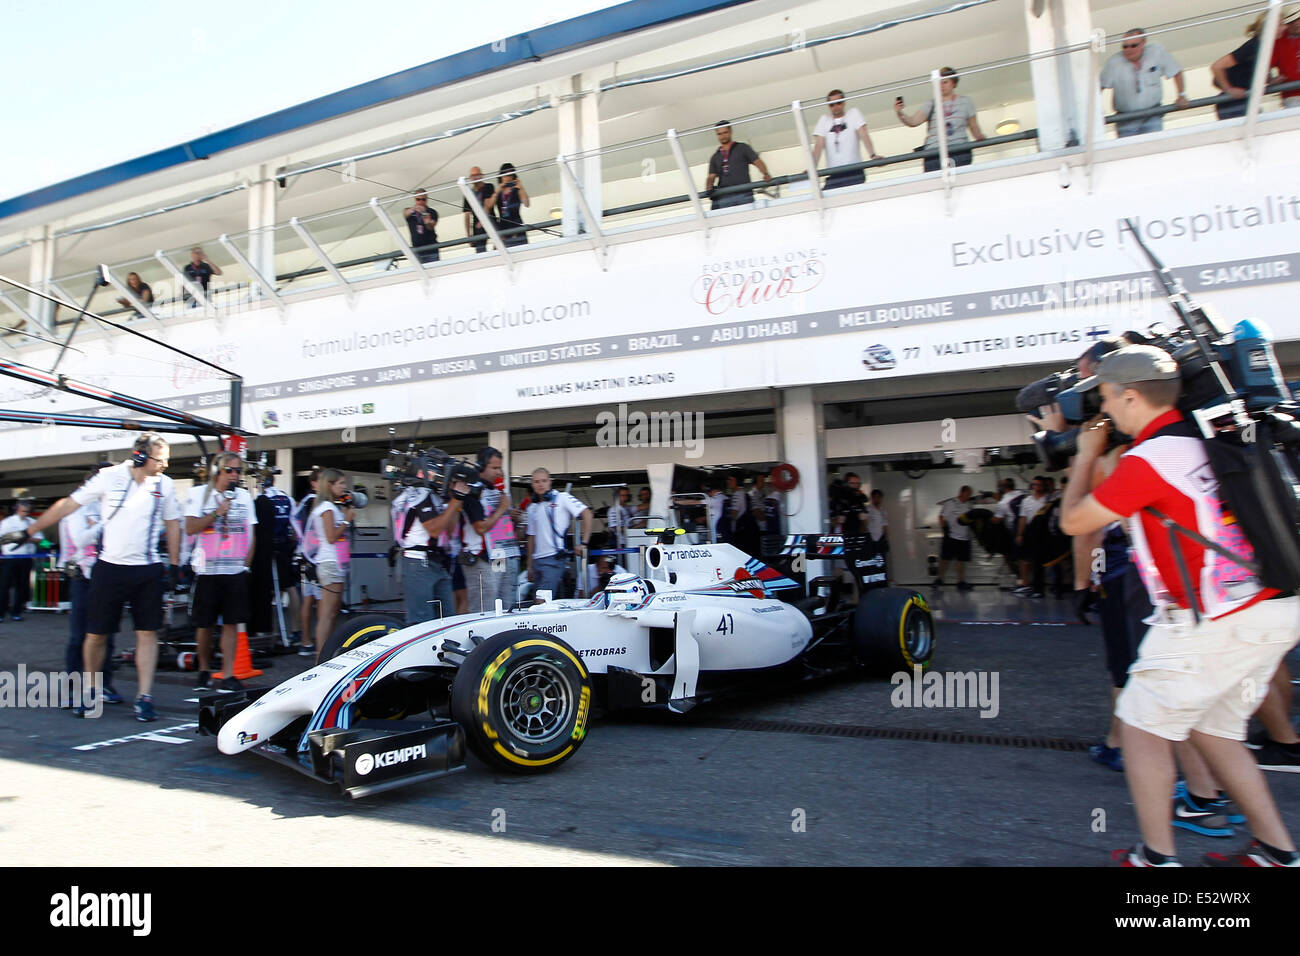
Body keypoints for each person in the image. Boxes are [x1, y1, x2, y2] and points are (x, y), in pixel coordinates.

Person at [1060, 345, 1300, 867]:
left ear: (1130, 395)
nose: (1105, 411)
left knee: (1142, 728)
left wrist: (1083, 457)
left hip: (1213, 619)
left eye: (1106, 398)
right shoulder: (1205, 442)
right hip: (1272, 607)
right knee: (1213, 731)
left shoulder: (1150, 459)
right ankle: (1278, 852)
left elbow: (1075, 522)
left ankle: (1155, 859)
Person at [17, 433, 181, 721]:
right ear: (140, 455)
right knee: (95, 635)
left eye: (168, 458)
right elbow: (67, 505)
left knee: (147, 633)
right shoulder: (110, 477)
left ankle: (145, 697)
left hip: (147, 569)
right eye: (161, 458)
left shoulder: (165, 485)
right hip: (109, 568)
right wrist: (29, 532)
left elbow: (172, 524)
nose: (166, 464)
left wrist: (177, 565)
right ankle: (91, 692)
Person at [185, 452, 257, 691]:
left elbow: (251, 532)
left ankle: (227, 674)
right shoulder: (199, 494)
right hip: (207, 570)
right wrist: (216, 513)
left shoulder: (245, 497)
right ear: (217, 471)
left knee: (232, 623)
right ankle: (204, 669)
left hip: (234, 569)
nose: (234, 475)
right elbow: (190, 528)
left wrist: (246, 564)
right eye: (230, 470)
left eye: (238, 471)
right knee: (204, 624)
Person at [59, 465, 121, 707]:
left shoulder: (108, 507)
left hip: (106, 574)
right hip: (81, 576)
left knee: (107, 633)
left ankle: (103, 683)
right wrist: (105, 523)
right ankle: (72, 688)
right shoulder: (76, 507)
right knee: (80, 635)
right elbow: (80, 539)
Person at [390, 470, 466, 625]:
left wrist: (455, 502)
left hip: (437, 561)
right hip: (417, 561)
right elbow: (434, 530)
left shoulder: (435, 497)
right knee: (421, 620)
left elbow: (450, 531)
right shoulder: (417, 494)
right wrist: (455, 500)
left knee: (447, 617)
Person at [302, 469, 354, 660]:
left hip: (335, 563)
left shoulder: (330, 506)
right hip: (330, 562)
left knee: (331, 613)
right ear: (329, 485)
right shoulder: (326, 508)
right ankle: (320, 657)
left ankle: (326, 654)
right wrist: (347, 521)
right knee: (326, 615)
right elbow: (331, 537)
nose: (343, 487)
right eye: (340, 483)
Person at [1099, 28, 1189, 137]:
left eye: (1134, 45)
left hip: (1153, 115)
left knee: (1154, 148)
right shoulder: (1113, 63)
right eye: (1125, 46)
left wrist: (1181, 95)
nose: (1129, 49)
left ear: (1143, 44)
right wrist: (1097, 111)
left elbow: (1176, 71)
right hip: (1125, 120)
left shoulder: (1156, 53)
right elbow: (1099, 88)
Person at [895, 67, 986, 171]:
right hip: (934, 153)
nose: (941, 85)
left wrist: (980, 137)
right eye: (939, 83)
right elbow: (913, 122)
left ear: (953, 83)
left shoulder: (966, 102)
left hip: (959, 150)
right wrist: (899, 112)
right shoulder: (931, 104)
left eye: (945, 82)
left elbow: (974, 127)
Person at [458, 447, 515, 613]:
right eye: (494, 468)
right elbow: (480, 528)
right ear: (481, 466)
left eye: (500, 467)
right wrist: (501, 509)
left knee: (505, 605)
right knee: (485, 608)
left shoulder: (496, 490)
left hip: (500, 555)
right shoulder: (472, 492)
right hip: (480, 558)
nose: (499, 472)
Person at [524, 468, 591, 599]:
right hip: (537, 561)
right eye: (536, 481)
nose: (540, 484)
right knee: (538, 605)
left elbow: (587, 513)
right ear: (532, 484)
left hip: (554, 559)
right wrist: (529, 565)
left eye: (543, 481)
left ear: (550, 482)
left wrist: (584, 543)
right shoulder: (532, 507)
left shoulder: (562, 498)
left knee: (541, 602)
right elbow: (531, 537)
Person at [812, 89, 882, 189]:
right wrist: (812, 167)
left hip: (854, 170)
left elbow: (864, 135)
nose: (835, 107)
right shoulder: (824, 119)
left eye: (838, 103)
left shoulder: (853, 114)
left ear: (844, 102)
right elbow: (818, 145)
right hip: (834, 173)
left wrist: (873, 155)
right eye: (831, 104)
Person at [705, 121, 773, 210]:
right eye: (719, 134)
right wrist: (709, 185)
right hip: (725, 197)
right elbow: (711, 176)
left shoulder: (742, 148)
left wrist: (765, 174)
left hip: (744, 194)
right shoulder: (715, 156)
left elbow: (758, 162)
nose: (723, 136)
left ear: (731, 131)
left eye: (725, 132)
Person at [291, 467, 321, 656]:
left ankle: (306, 641)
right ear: (314, 483)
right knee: (323, 604)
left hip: (306, 556)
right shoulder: (313, 502)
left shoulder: (305, 502)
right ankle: (317, 642)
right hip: (314, 557)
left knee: (309, 600)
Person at [0, 499, 42, 621]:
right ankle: (1, 613)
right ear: (17, 509)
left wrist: (23, 538)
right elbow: (3, 538)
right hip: (10, 557)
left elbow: (40, 540)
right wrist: (26, 538)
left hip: (26, 557)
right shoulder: (7, 522)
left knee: (21, 586)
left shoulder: (33, 522)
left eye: (28, 511)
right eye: (24, 511)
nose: (26, 513)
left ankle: (16, 612)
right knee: (4, 585)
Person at [935, 486, 974, 590]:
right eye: (968, 494)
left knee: (961, 561)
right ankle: (939, 579)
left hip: (964, 538)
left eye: (970, 495)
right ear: (962, 492)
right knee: (945, 559)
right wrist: (944, 528)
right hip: (951, 536)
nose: (969, 496)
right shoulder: (951, 503)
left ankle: (960, 582)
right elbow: (941, 517)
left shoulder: (969, 505)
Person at [485, 163, 530, 247]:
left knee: (521, 247)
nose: (507, 177)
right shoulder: (498, 192)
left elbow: (527, 203)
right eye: (504, 175)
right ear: (501, 176)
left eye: (509, 174)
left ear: (513, 176)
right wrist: (499, 189)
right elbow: (489, 205)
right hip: (503, 225)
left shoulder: (517, 189)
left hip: (516, 223)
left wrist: (521, 187)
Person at [462, 166, 495, 254]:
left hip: (491, 221)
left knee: (498, 246)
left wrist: (482, 221)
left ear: (481, 175)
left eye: (477, 175)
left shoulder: (488, 187)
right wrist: (469, 235)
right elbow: (467, 215)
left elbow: (487, 204)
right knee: (480, 251)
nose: (475, 178)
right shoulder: (468, 193)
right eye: (473, 176)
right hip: (477, 226)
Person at [1272, 7, 1300, 109]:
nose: (1297, 23)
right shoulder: (1278, 39)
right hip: (1293, 97)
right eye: (1293, 21)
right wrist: (1270, 80)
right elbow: (1264, 66)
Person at [403, 189, 440, 263]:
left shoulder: (432, 212)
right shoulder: (410, 212)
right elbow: (405, 213)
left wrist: (428, 222)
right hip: (417, 249)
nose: (420, 202)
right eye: (418, 199)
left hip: (431, 248)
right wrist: (414, 209)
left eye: (423, 199)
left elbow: (431, 226)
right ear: (414, 199)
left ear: (426, 200)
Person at [606, 486, 635, 550]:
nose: (625, 498)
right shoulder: (613, 510)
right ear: (617, 497)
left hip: (630, 542)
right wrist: (636, 528)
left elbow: (640, 507)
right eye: (622, 495)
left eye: (626, 495)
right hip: (619, 543)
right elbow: (617, 528)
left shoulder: (628, 508)